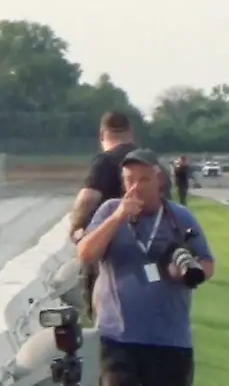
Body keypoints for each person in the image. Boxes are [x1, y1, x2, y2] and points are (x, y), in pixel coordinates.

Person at [76, 149, 215, 386]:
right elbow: (86, 253)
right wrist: (118, 218)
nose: (135, 187)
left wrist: (182, 271)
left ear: (159, 180)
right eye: (129, 180)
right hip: (118, 339)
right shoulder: (110, 210)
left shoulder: (179, 217)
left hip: (169, 341)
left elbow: (207, 264)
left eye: (143, 179)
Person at [69, 111, 138, 318]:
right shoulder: (149, 161)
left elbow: (87, 199)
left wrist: (75, 228)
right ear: (131, 133)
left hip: (110, 249)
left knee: (105, 311)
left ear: (102, 135)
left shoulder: (105, 161)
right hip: (149, 246)